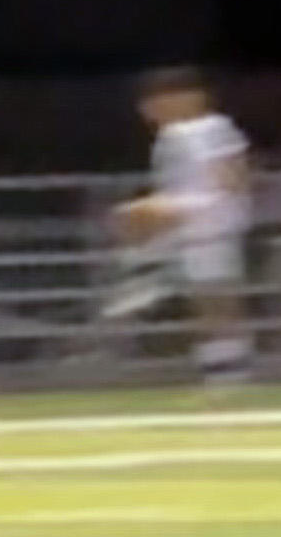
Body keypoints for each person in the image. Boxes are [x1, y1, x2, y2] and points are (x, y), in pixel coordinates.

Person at [104, 67, 255, 387]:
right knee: (207, 304)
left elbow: (231, 179)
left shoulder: (211, 127)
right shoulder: (170, 138)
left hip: (209, 219)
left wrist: (176, 208)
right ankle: (148, 271)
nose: (151, 110)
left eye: (159, 100)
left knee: (217, 303)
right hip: (190, 224)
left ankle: (148, 272)